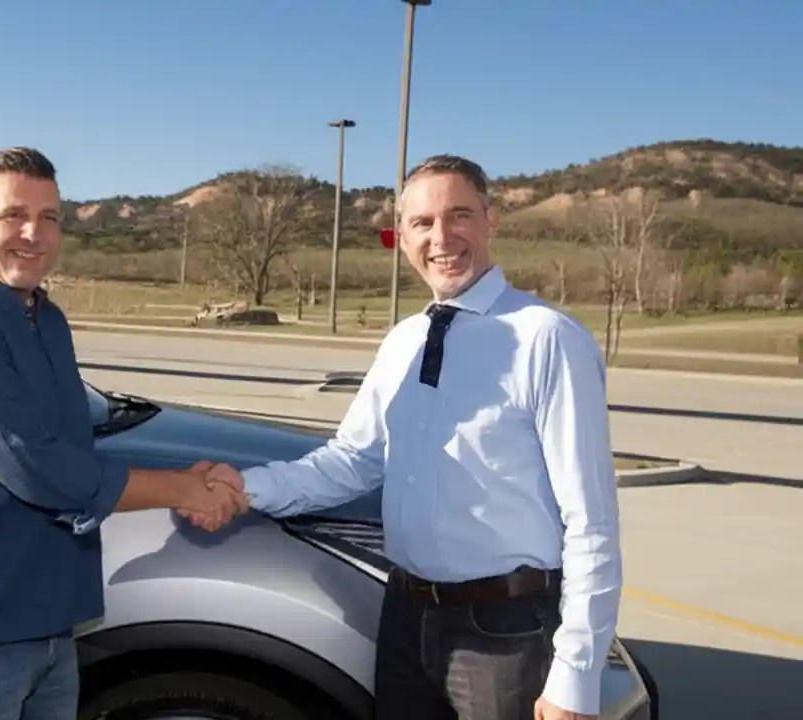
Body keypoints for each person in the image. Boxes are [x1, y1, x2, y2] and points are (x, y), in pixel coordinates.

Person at [200, 155, 622, 720]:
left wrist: (575, 676)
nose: (441, 237)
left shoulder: (548, 339)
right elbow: (352, 461)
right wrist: (246, 487)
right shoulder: (404, 340)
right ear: (402, 237)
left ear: (491, 221)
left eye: (460, 216)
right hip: (405, 617)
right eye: (422, 223)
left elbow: (591, 522)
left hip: (507, 633)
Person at [0, 146, 246, 720]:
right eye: (14, 215)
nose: (35, 233)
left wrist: (191, 477)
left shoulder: (46, 320)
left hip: (49, 627)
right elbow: (40, 468)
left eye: (50, 217)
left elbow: (74, 444)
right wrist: (182, 489)